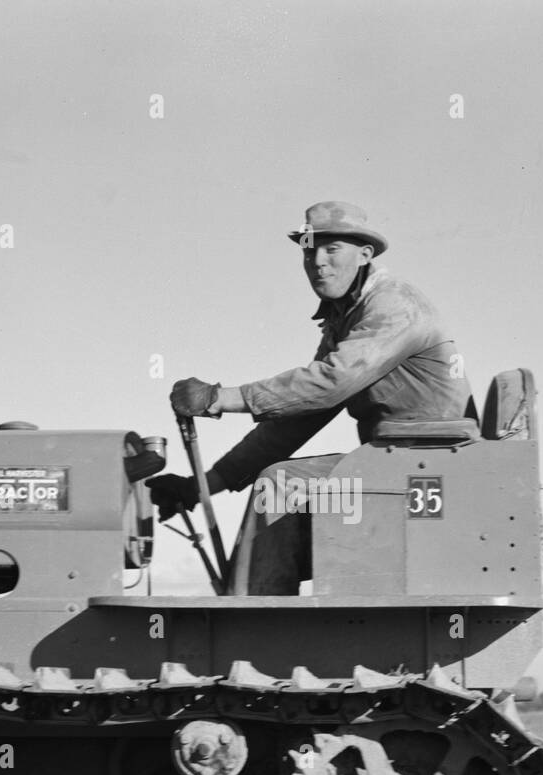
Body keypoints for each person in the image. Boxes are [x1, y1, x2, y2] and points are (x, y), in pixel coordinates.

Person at [148, 201, 474, 594]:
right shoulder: (346, 319)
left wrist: (219, 398)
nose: (318, 261)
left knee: (280, 485)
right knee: (286, 483)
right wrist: (201, 486)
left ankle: (257, 626)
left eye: (331, 249)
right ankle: (254, 610)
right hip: (397, 463)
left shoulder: (394, 305)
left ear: (365, 254)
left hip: (429, 469)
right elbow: (293, 422)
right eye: (308, 249)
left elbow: (330, 383)